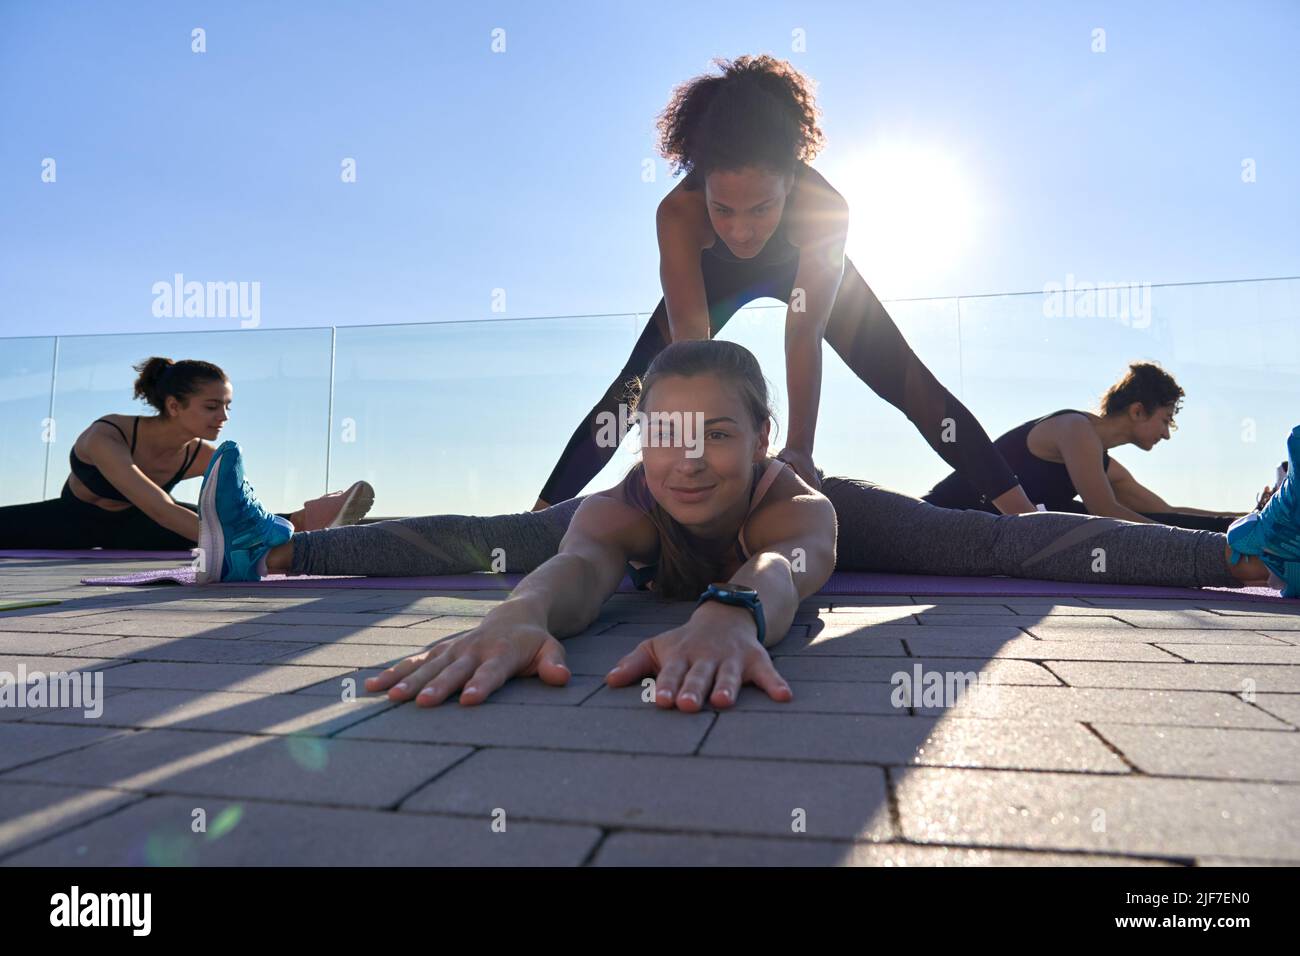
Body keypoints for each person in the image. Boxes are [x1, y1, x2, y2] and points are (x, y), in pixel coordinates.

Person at [195, 340, 1298, 711]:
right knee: (490, 530)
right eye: (663, 433)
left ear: (762, 437)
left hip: (847, 525)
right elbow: (578, 567)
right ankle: (273, 547)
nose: (684, 457)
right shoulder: (626, 500)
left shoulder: (798, 496)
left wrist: (733, 611)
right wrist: (521, 611)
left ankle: (1252, 553)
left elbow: (794, 559)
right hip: (642, 545)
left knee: (1008, 542)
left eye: (715, 434)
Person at [530, 54, 1039, 518]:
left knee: (910, 383)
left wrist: (799, 450)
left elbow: (803, 332)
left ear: (790, 184)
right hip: (715, 280)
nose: (741, 230)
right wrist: (690, 462)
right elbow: (693, 352)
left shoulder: (826, 209)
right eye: (723, 210)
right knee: (630, 388)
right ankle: (534, 519)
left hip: (806, 271)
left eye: (761, 209)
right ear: (703, 188)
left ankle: (1025, 517)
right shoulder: (678, 214)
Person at [0, 356, 374, 550]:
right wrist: (231, 545)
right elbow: (161, 505)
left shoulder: (204, 455)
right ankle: (292, 529)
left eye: (227, 406)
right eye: (211, 406)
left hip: (140, 529)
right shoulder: (107, 436)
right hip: (72, 521)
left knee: (219, 521)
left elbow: (236, 509)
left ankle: (306, 518)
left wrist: (254, 529)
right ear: (175, 405)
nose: (223, 417)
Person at [923, 362, 1266, 531]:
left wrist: (1246, 519)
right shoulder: (1076, 429)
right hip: (939, 521)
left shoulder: (1102, 461)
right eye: (1165, 420)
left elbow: (1163, 513)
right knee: (1084, 518)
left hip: (982, 534)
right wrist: (1199, 543)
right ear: (1137, 410)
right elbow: (1107, 513)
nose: (1167, 434)